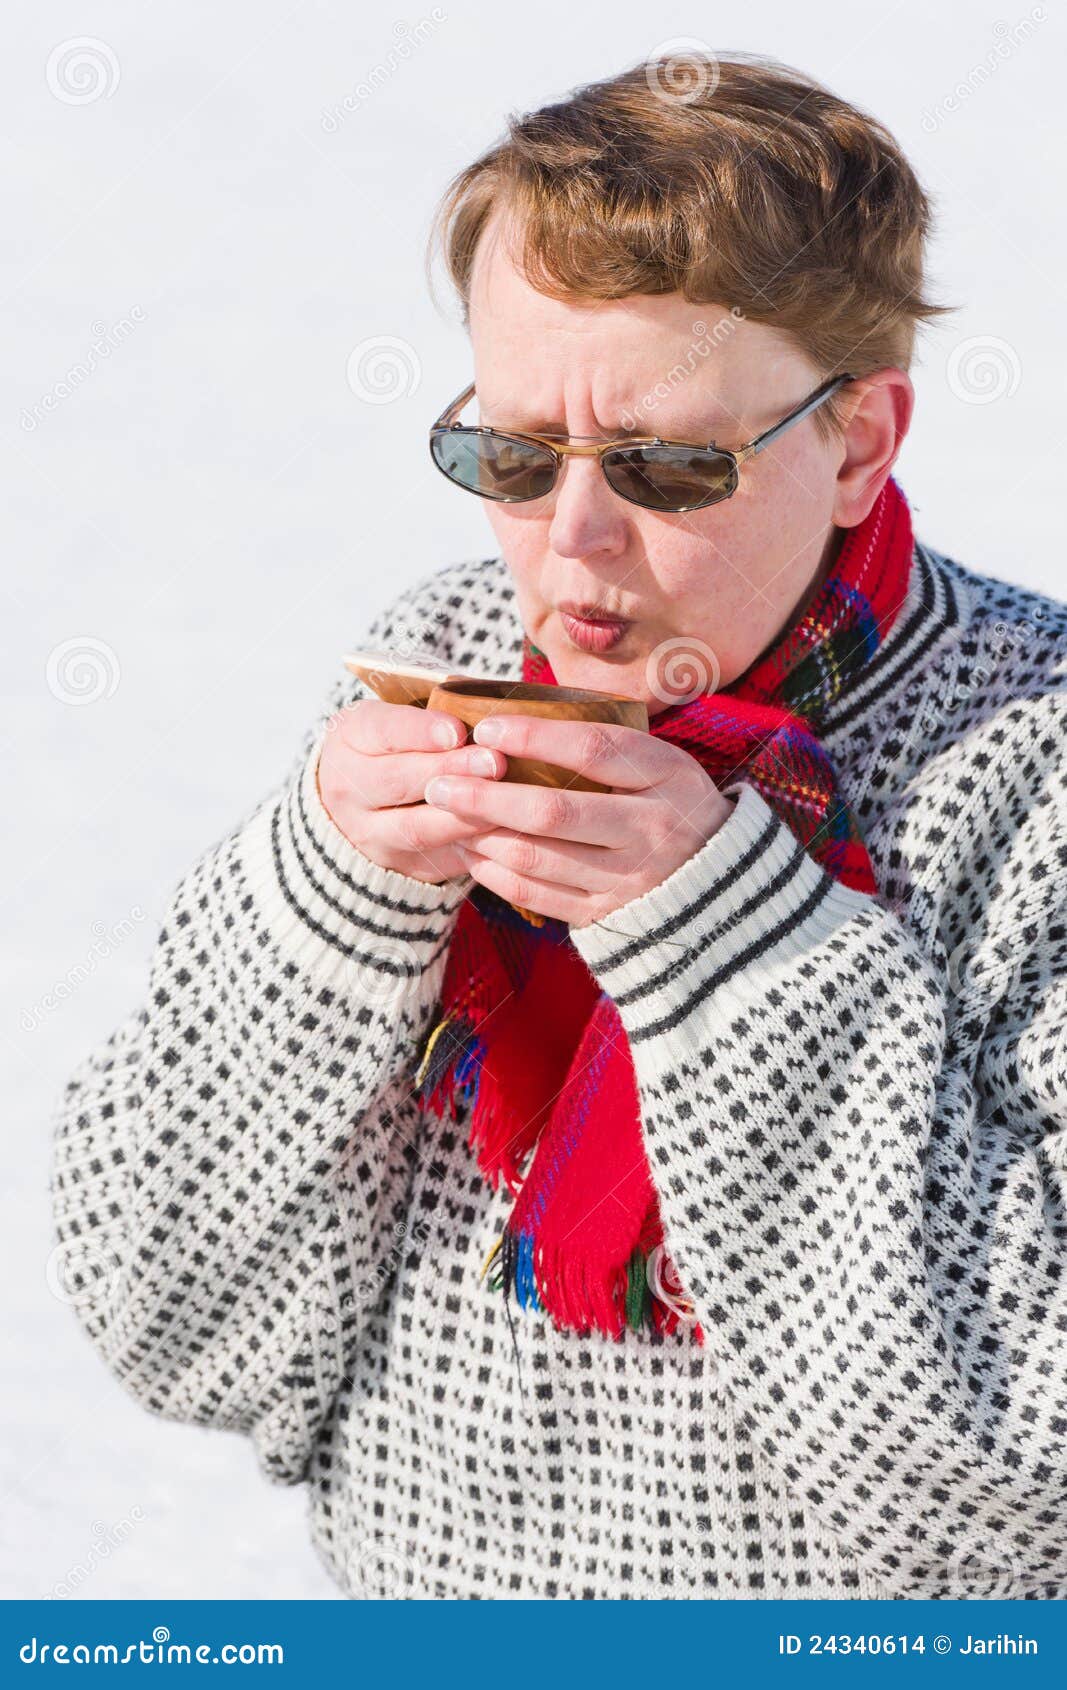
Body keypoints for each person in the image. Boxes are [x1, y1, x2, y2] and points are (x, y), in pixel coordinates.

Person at [50, 52, 1067, 1601]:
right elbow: (171, 1327)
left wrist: (729, 939)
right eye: (513, 457)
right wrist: (322, 905)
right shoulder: (439, 655)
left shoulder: (1030, 765)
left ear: (860, 442)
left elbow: (1019, 1491)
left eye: (669, 466)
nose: (570, 543)